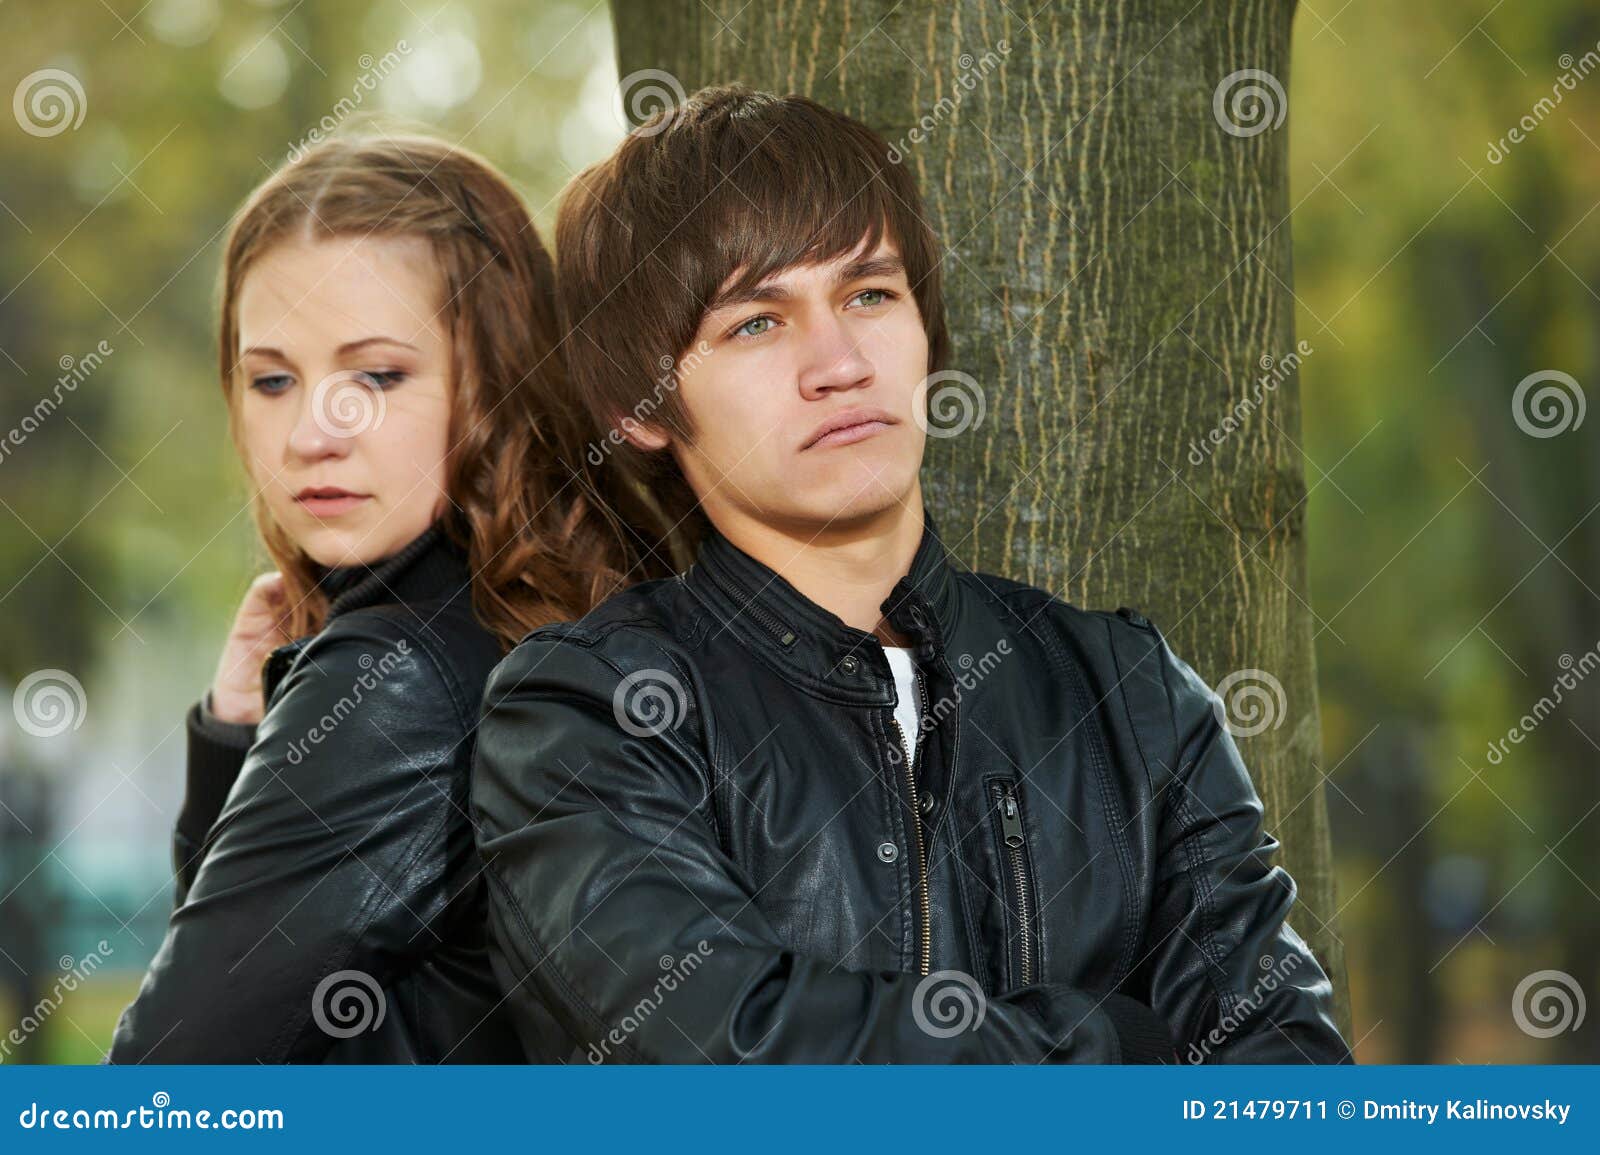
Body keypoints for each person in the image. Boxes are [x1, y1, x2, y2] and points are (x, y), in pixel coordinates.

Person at [471, 86, 1352, 1064]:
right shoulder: (583, 712)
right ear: (636, 410)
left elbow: (1288, 1082)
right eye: (756, 323)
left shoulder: (1129, 692)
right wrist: (1122, 1042)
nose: (840, 363)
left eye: (869, 295)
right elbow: (731, 1058)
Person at [108, 132, 672, 1063]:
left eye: (376, 374)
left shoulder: (392, 679)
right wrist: (238, 742)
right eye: (272, 379)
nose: (312, 433)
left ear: (496, 378)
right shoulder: (603, 606)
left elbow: (163, 1091)